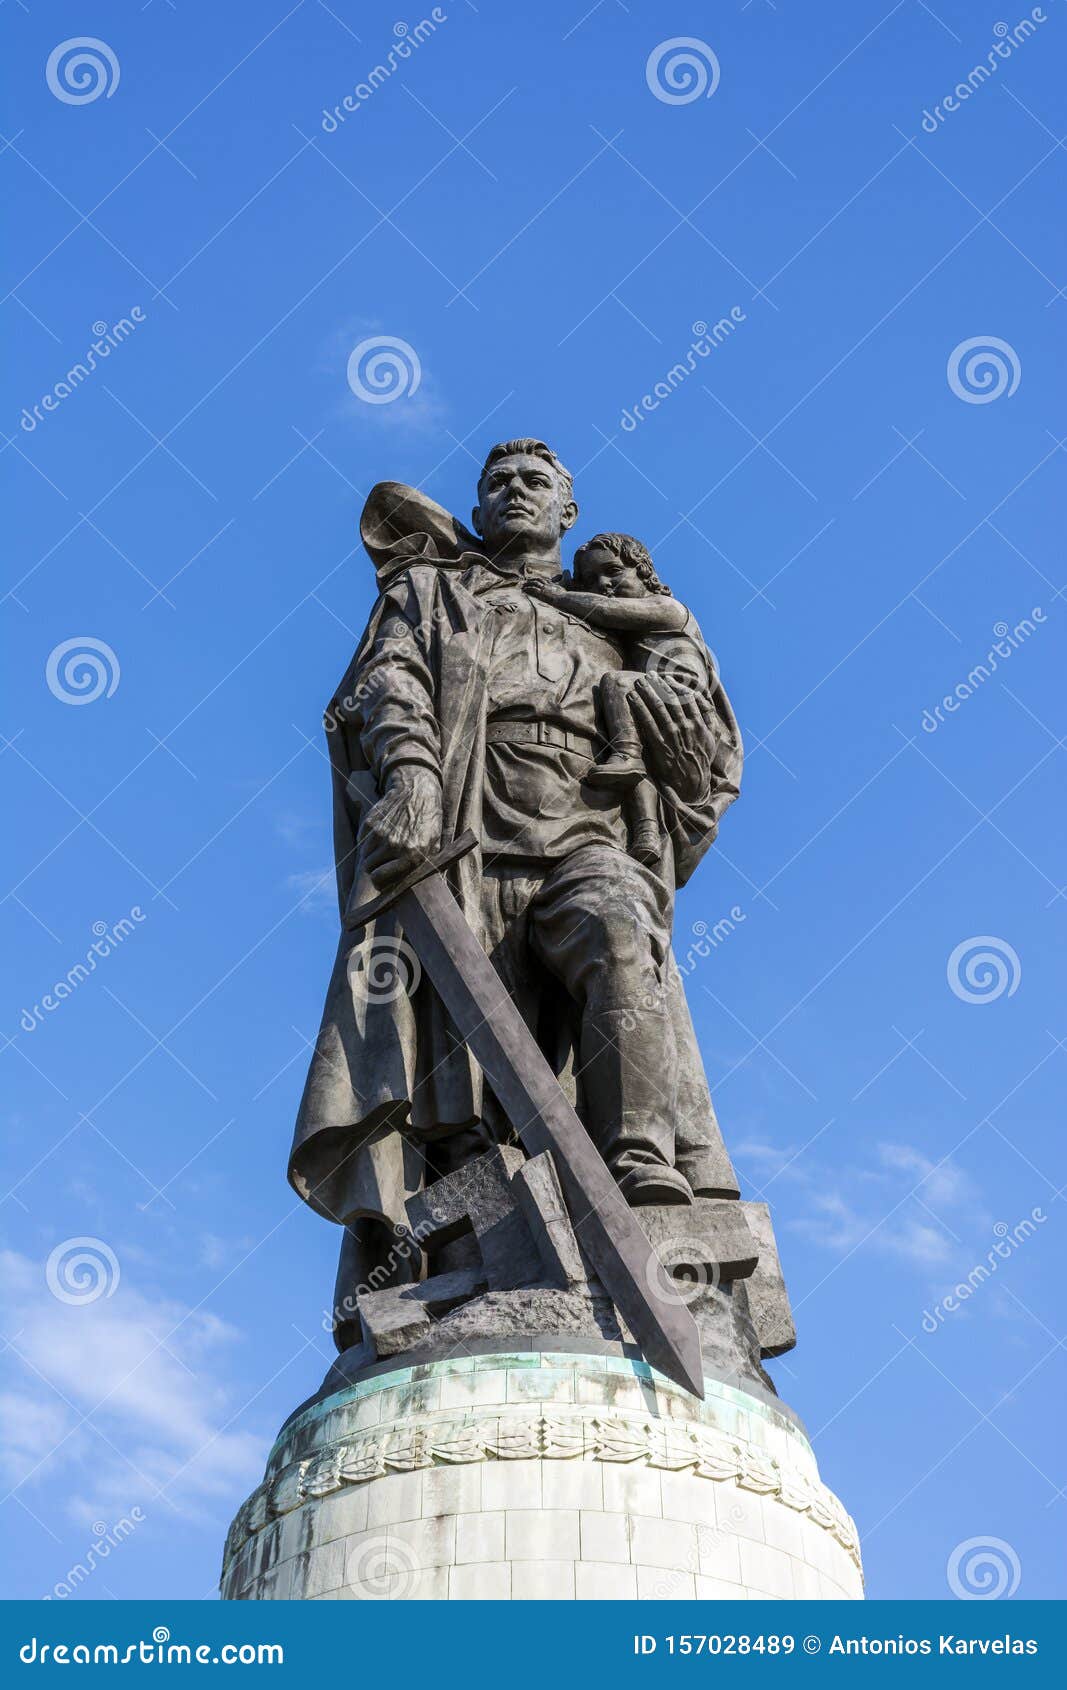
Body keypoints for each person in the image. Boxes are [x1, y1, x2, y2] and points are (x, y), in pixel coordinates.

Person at [288, 441, 744, 1323]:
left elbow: (704, 738)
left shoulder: (617, 616)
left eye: (536, 482)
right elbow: (390, 682)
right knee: (462, 1065)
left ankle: (637, 1164)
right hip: (463, 828)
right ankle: (478, 1263)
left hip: (588, 819)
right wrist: (414, 774)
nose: (515, 493)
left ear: (566, 509)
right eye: (497, 483)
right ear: (480, 503)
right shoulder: (432, 591)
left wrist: (682, 742)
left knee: (617, 928)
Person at [525, 531, 714, 866]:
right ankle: (645, 833)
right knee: (636, 770)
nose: (603, 584)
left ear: (644, 572)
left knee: (615, 683)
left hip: (679, 691)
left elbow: (605, 610)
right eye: (590, 579)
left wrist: (556, 596)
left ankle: (627, 751)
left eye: (613, 572)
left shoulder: (668, 608)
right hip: (650, 696)